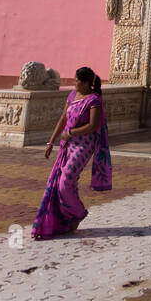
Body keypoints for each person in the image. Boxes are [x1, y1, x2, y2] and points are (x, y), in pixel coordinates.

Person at [32, 66, 112, 239]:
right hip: (66, 144)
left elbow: (93, 125)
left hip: (84, 145)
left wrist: (71, 133)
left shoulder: (94, 100)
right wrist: (51, 142)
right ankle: (67, 218)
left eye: (77, 81)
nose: (74, 83)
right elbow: (63, 119)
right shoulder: (72, 95)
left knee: (65, 181)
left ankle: (79, 212)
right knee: (64, 182)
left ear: (86, 83)